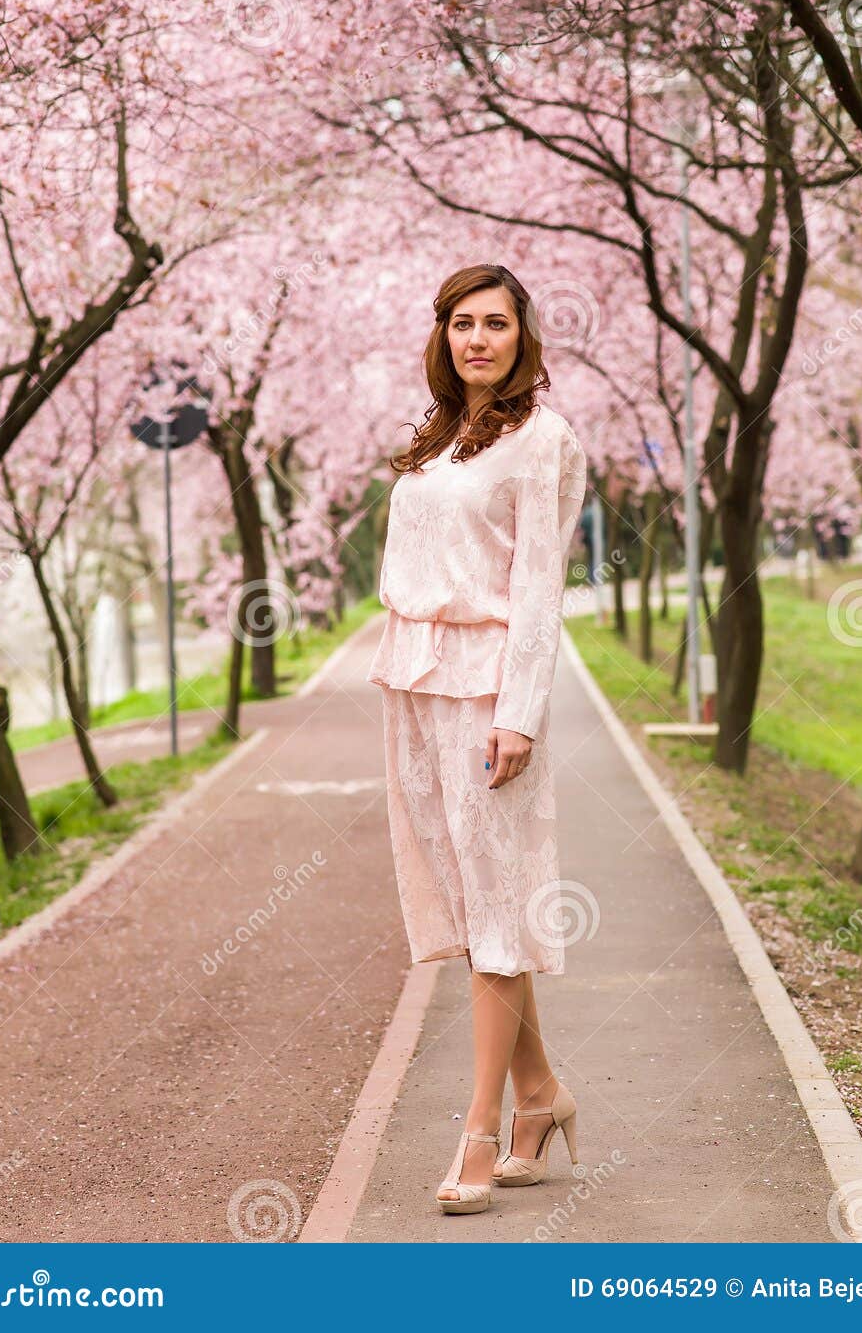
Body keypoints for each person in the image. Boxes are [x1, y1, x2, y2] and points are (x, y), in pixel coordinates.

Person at [367, 262, 588, 1215]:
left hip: (487, 690)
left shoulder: (545, 441)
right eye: (462, 323)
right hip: (413, 682)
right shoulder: (437, 439)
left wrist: (518, 714)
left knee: (498, 908)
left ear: (522, 335)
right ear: (443, 335)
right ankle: (543, 1098)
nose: (477, 339)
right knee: (471, 907)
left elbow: (539, 588)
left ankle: (482, 1128)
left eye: (495, 323)